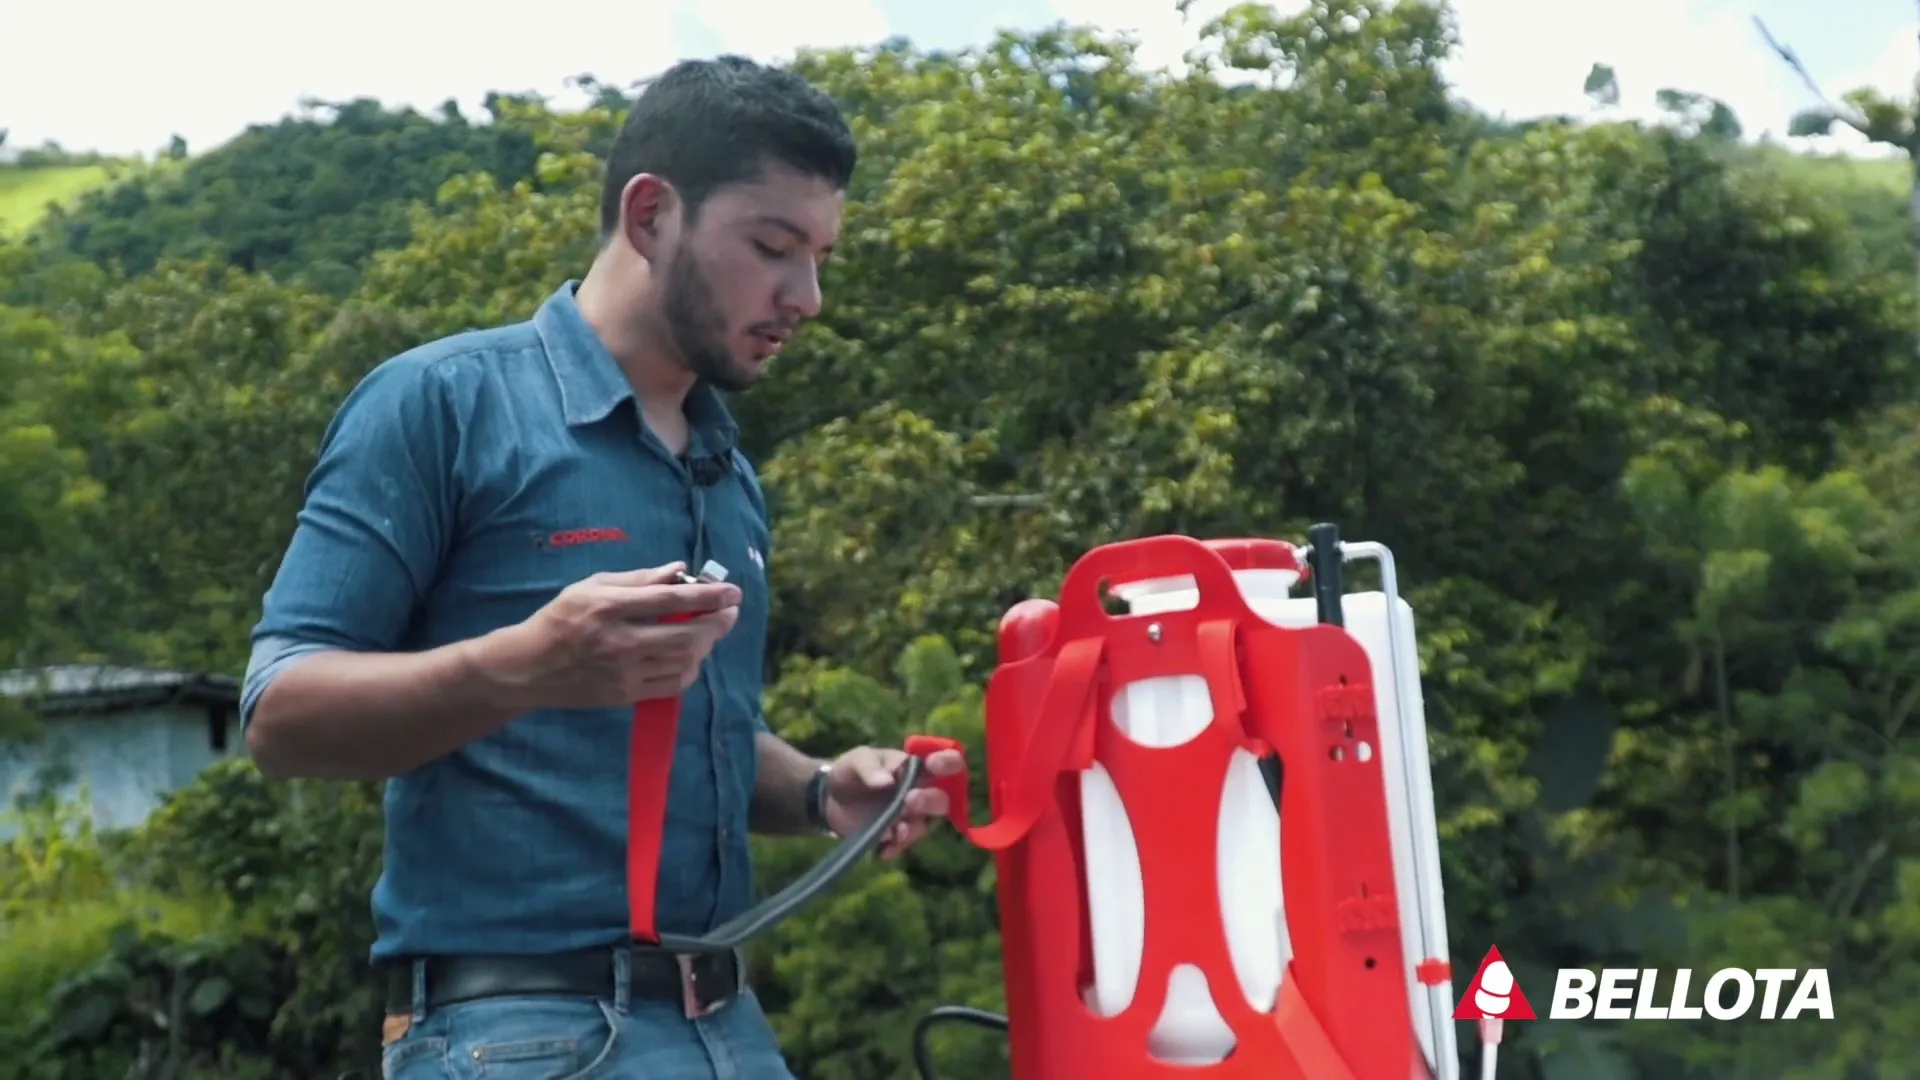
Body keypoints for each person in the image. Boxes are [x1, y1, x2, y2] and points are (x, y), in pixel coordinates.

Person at [240, 55, 966, 1080]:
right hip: (518, 1035)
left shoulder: (725, 471)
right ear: (651, 213)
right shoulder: (441, 404)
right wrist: (522, 665)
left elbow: (698, 725)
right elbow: (277, 715)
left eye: (821, 257)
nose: (805, 296)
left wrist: (816, 791)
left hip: (729, 1029)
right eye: (772, 247)